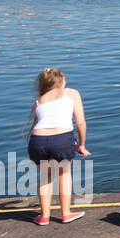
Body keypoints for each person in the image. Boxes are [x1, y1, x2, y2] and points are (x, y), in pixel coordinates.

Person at [27, 68, 90, 224]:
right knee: (64, 174)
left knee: (45, 176)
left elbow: (37, 125)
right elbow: (80, 123)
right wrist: (82, 145)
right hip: (61, 139)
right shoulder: (71, 93)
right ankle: (66, 213)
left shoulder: (39, 100)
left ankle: (44, 217)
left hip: (37, 141)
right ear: (62, 79)